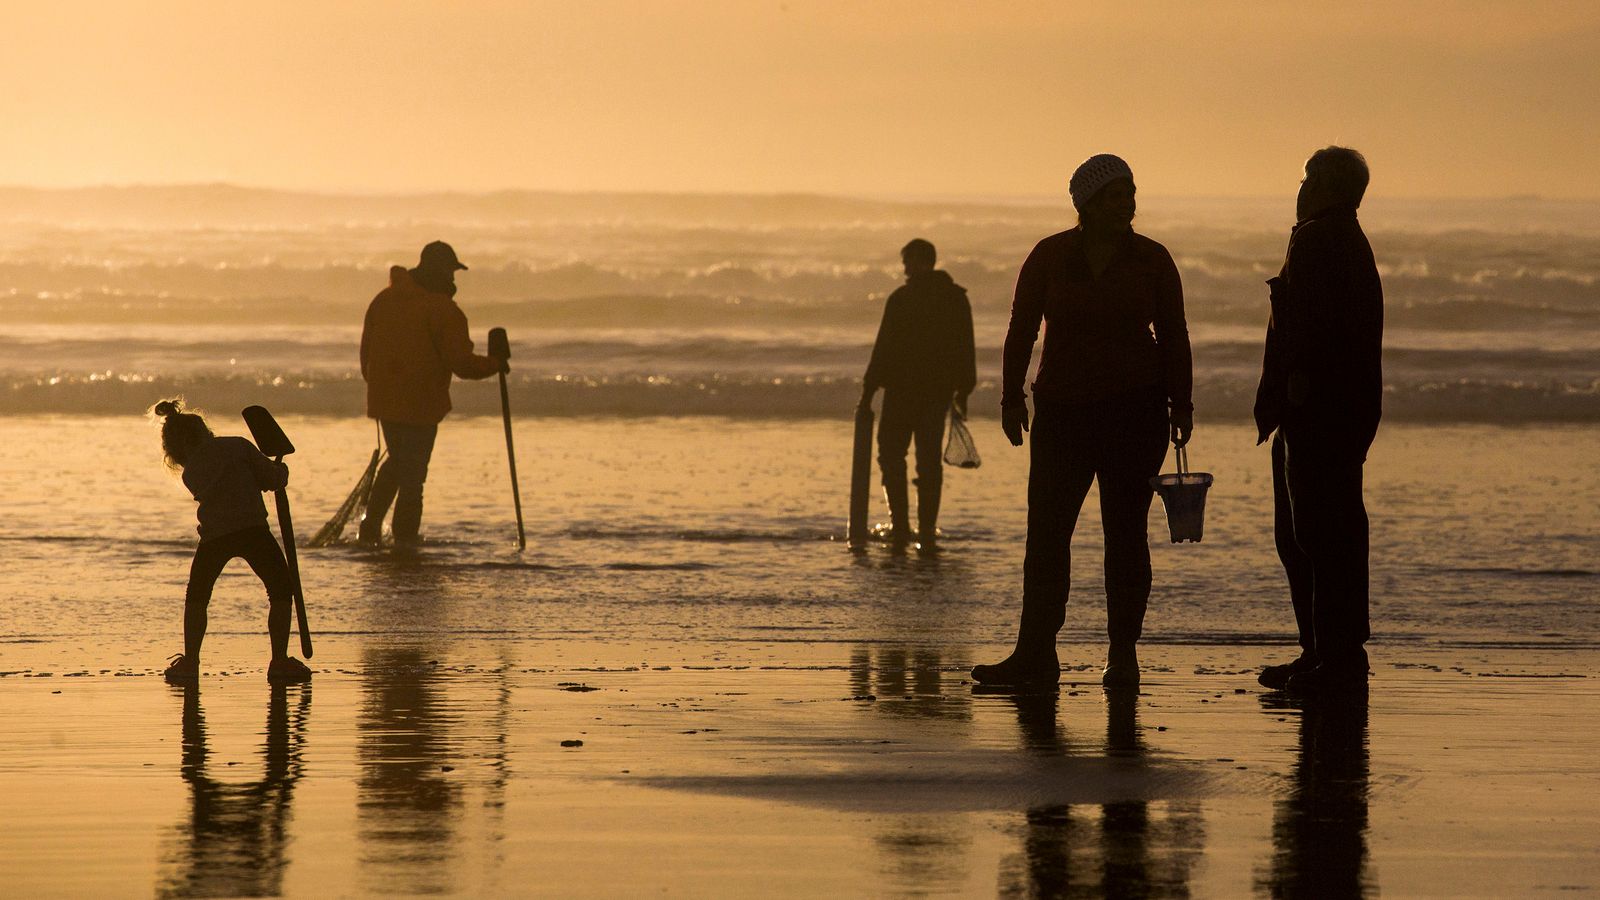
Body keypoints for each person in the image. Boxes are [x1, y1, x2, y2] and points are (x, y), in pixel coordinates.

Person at [971, 154, 1193, 689]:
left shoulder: (1151, 259)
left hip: (1135, 413)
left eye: (1130, 194)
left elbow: (1174, 334)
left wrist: (1181, 405)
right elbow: (1020, 329)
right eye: (1114, 196)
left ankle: (1123, 654)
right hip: (1063, 412)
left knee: (1125, 535)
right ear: (1086, 204)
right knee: (1047, 535)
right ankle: (1035, 654)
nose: (1125, 204)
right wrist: (1009, 398)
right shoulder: (1050, 256)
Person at [1254, 147, 1383, 695]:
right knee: (1323, 531)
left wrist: (1294, 389)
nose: (1300, 186)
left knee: (1315, 534)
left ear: (1330, 187)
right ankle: (1324, 653)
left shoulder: (1316, 239)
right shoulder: (1346, 240)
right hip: (1344, 409)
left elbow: (1306, 327)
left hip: (1318, 411)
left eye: (1309, 177)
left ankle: (1336, 658)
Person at [358, 241, 506, 546]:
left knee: (398, 462)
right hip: (420, 403)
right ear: (440, 271)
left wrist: (378, 384)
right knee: (413, 477)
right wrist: (494, 364)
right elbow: (462, 364)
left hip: (385, 398)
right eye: (451, 271)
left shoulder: (384, 299)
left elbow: (366, 353)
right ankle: (405, 543)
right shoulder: (442, 309)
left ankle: (370, 530)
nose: (453, 279)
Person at [153, 399, 311, 684]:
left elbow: (227, 482)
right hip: (252, 530)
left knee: (197, 596)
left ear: (175, 450)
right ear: (204, 430)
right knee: (280, 590)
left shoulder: (191, 474)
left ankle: (190, 662)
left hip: (215, 536)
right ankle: (278, 660)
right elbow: (271, 479)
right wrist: (281, 472)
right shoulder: (238, 446)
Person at [858, 238, 977, 552]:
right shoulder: (955, 298)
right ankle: (924, 532)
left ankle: (901, 528)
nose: (905, 269)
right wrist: (963, 390)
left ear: (923, 262)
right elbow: (966, 347)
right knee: (927, 462)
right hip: (936, 394)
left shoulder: (902, 298)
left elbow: (883, 349)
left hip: (902, 392)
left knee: (892, 457)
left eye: (908, 262)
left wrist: (868, 391)